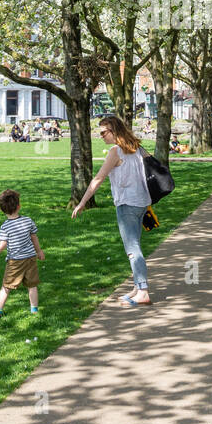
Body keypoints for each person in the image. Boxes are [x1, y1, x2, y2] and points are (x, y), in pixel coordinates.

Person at [72, 114, 152, 307]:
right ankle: (136, 287)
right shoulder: (137, 147)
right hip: (142, 202)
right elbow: (153, 165)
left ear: (114, 131)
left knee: (132, 249)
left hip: (127, 204)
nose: (101, 136)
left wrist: (82, 202)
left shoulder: (115, 152)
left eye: (103, 132)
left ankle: (143, 291)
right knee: (135, 244)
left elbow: (98, 179)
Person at [0, 188, 43, 320]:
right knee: (32, 286)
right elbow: (34, 237)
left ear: (1, 210)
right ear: (19, 206)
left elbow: (2, 246)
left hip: (15, 261)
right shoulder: (28, 220)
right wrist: (39, 251)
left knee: (6, 287)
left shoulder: (5, 227)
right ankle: (34, 311)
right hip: (30, 258)